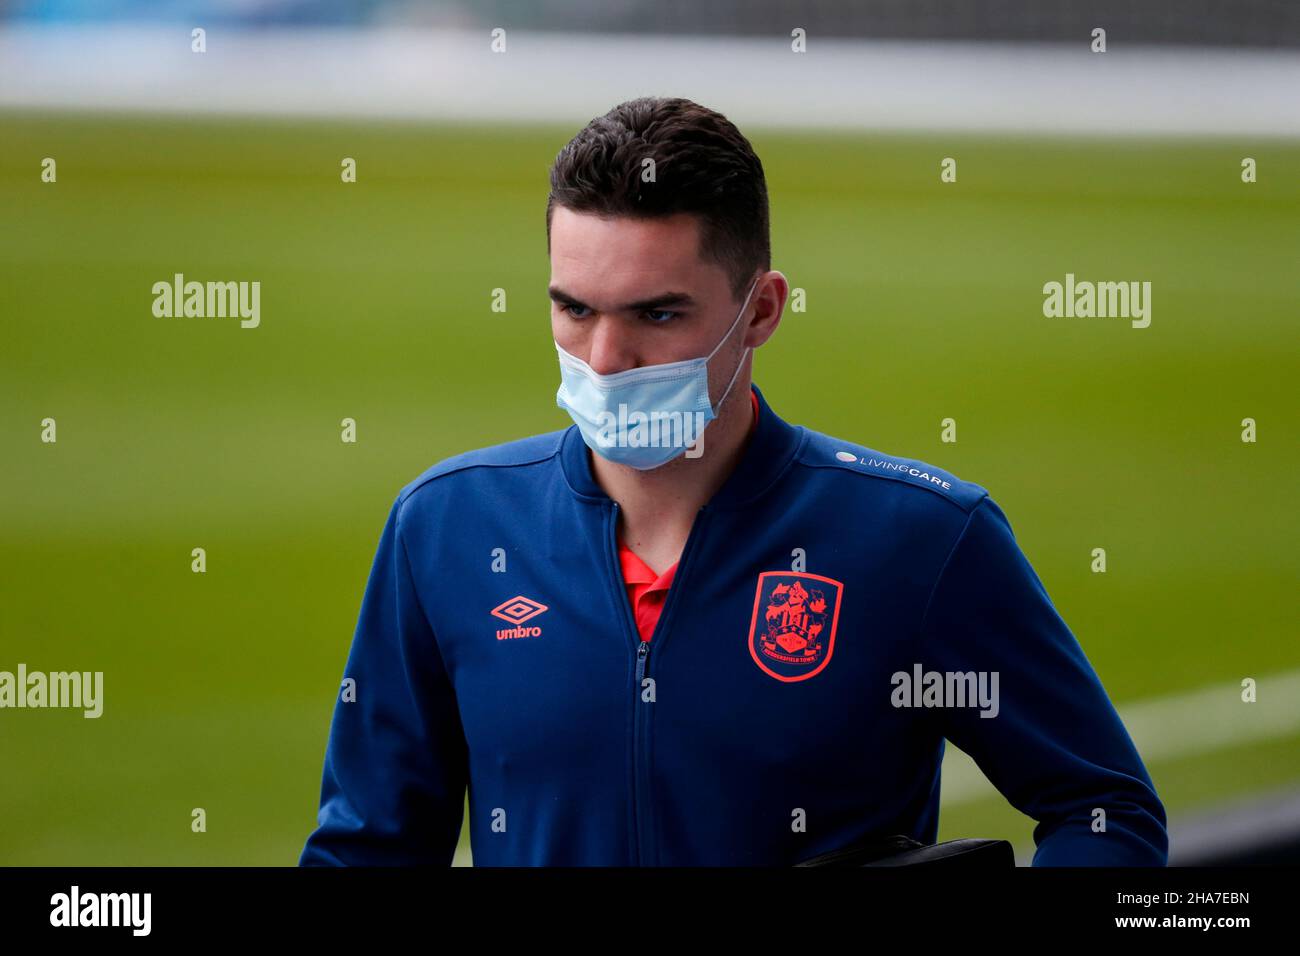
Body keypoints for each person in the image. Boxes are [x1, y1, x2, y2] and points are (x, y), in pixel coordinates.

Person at [299, 96, 1167, 866]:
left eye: (658, 314)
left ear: (760, 310)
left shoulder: (922, 540)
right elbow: (368, 846)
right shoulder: (445, 529)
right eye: (575, 308)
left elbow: (1105, 812)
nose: (605, 359)